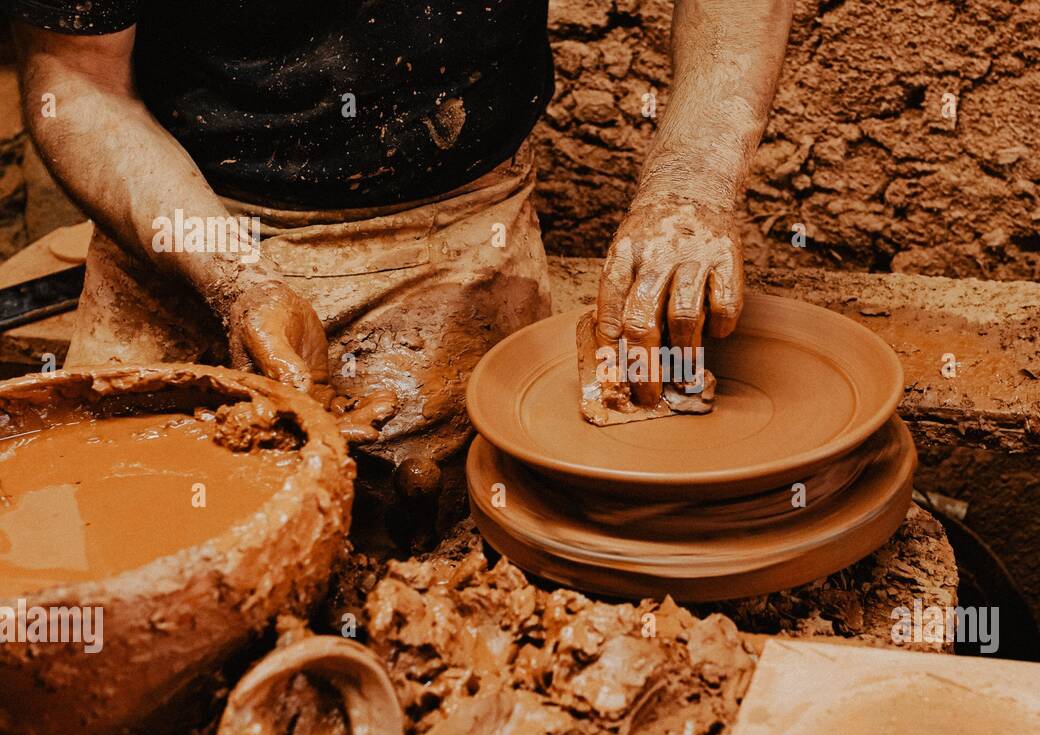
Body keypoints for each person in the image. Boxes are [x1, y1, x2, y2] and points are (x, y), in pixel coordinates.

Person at [8, 0, 794, 548]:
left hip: (453, 216)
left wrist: (689, 184)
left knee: (450, 559)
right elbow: (77, 81)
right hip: (175, 215)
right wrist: (231, 277)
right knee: (140, 570)